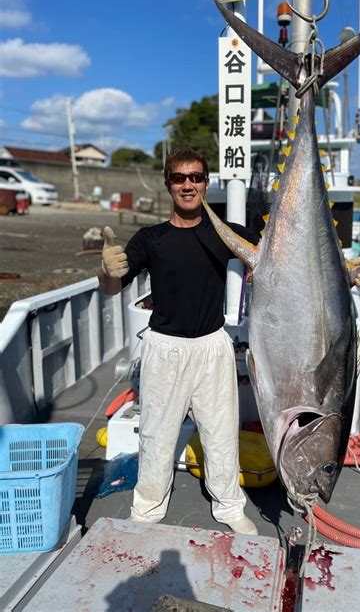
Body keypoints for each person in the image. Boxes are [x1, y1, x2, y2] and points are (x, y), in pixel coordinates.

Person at [98, 146, 259, 535]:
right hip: (164, 347)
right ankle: (149, 506)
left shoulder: (227, 233)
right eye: (179, 178)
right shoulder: (150, 238)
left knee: (220, 433)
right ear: (168, 183)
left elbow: (280, 254)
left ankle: (229, 505)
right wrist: (106, 269)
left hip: (212, 345)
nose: (188, 184)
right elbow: (111, 287)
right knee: (157, 431)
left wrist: (345, 271)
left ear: (207, 182)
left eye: (196, 177)